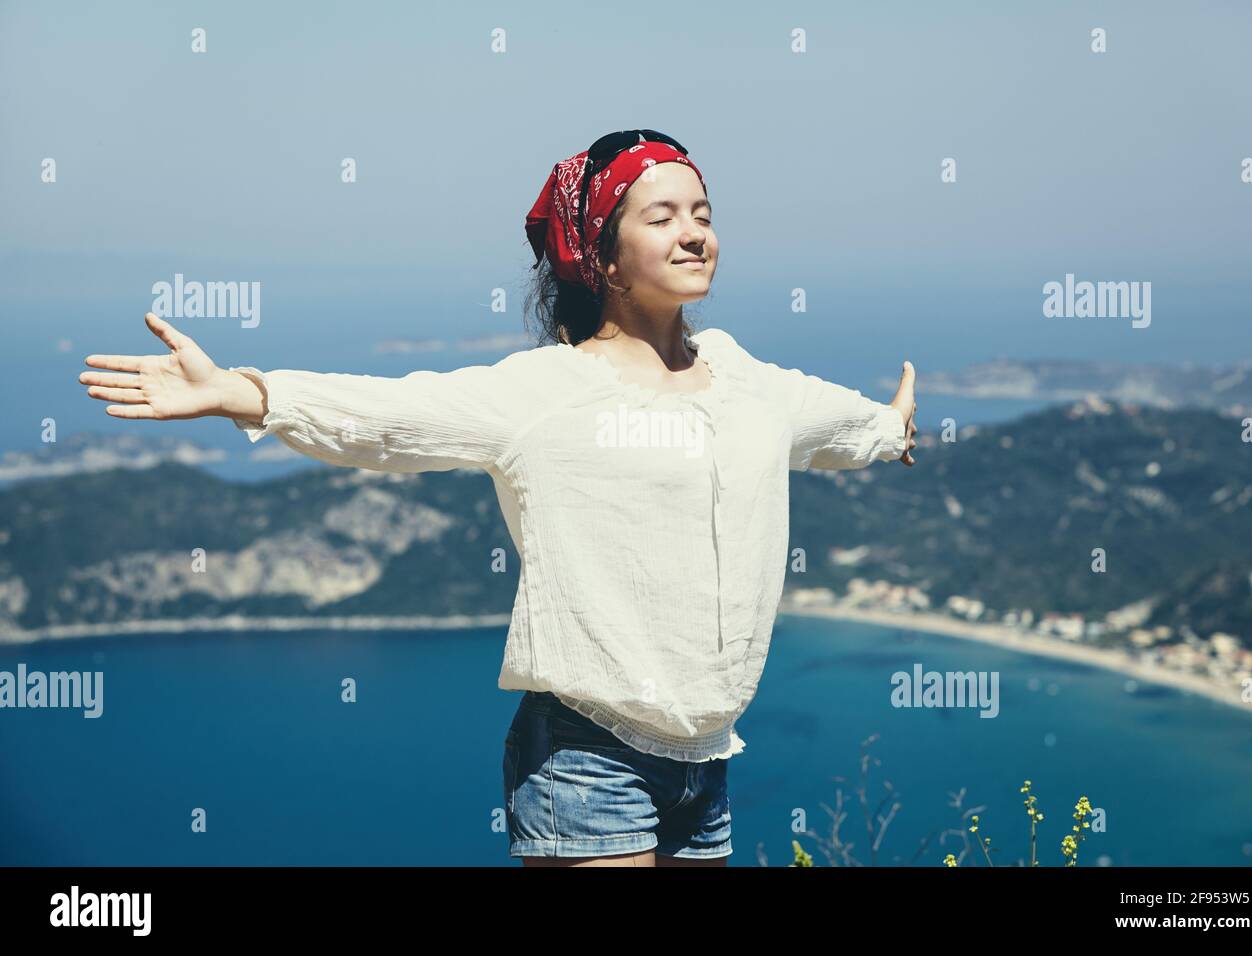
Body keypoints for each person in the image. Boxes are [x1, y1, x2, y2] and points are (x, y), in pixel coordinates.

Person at [79, 129, 919, 867]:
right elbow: (392, 417)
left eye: (701, 212)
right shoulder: (547, 391)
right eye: (659, 216)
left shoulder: (744, 378)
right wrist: (244, 393)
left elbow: (833, 424)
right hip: (589, 756)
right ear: (601, 253)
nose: (693, 232)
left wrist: (889, 428)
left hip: (708, 759)